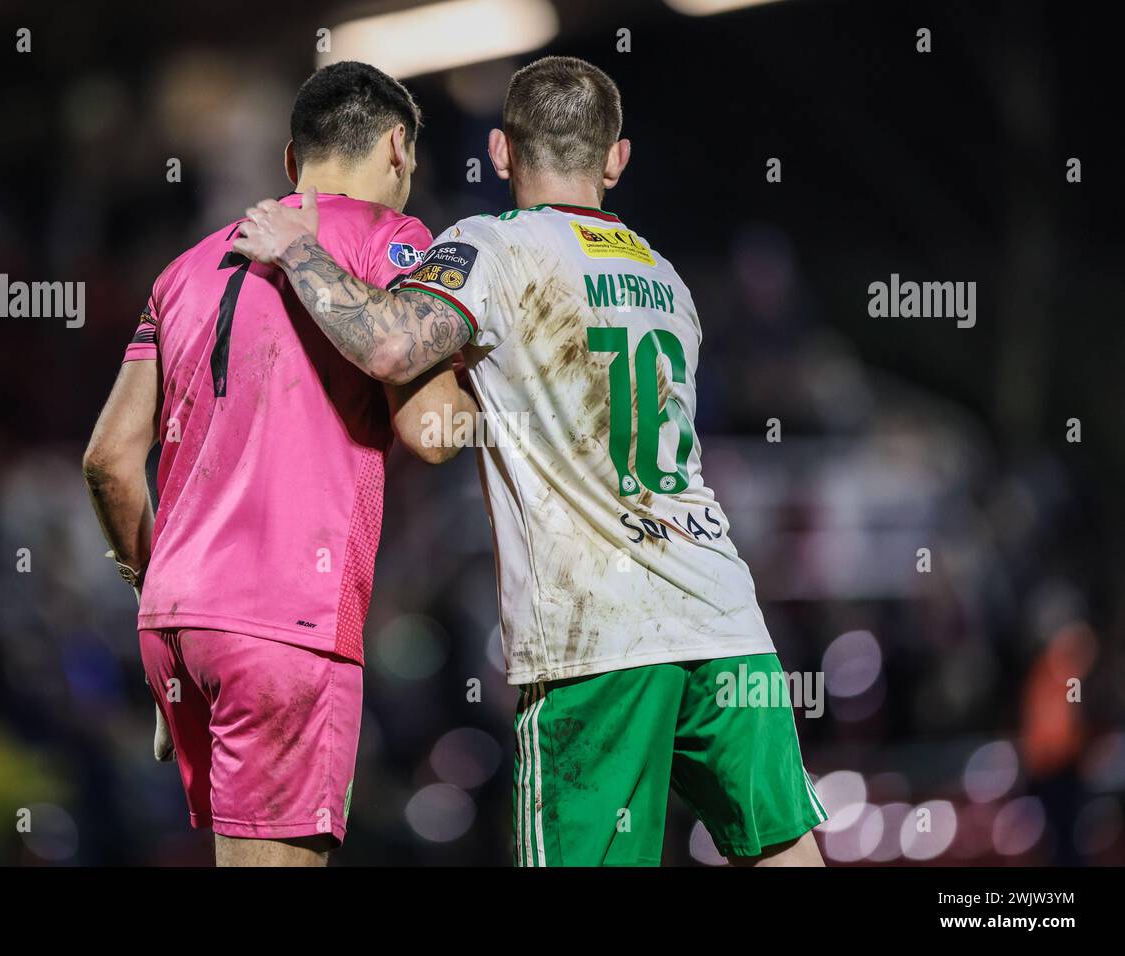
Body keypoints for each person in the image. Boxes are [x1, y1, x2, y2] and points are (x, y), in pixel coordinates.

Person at [231, 56, 827, 866]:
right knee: (787, 855)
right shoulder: (666, 278)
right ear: (616, 159)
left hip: (599, 640)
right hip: (726, 620)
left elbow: (393, 344)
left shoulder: (490, 248)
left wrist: (303, 253)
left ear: (502, 152)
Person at [82, 61, 474, 867]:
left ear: (292, 163)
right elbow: (433, 434)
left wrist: (159, 591)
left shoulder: (185, 267)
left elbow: (109, 462)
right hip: (286, 626)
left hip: (174, 627)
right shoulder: (395, 242)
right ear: (400, 147)